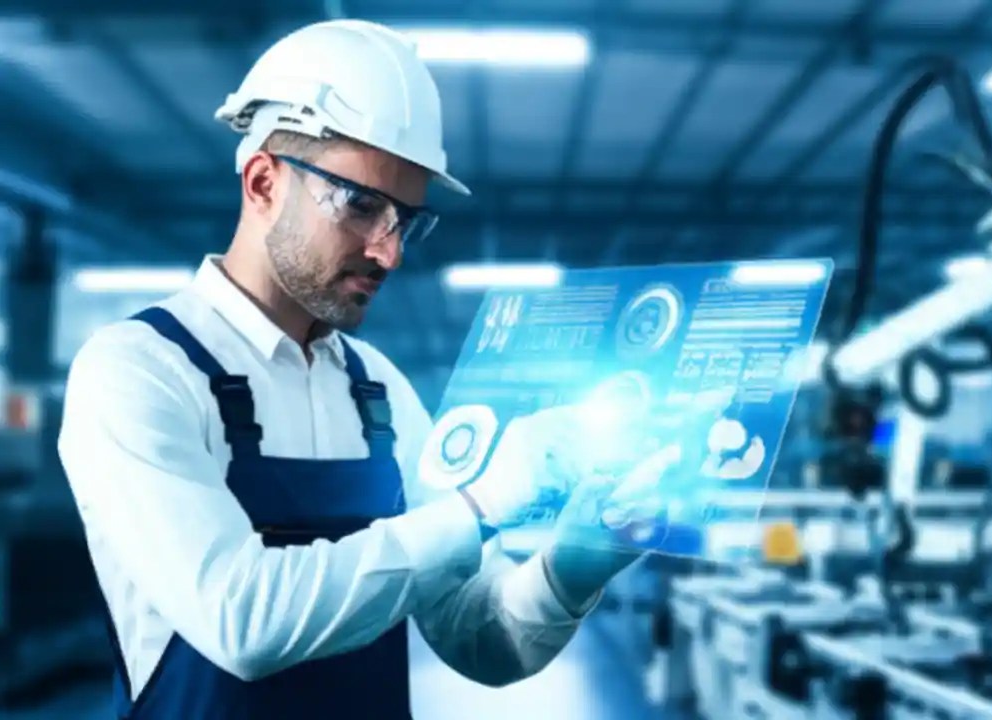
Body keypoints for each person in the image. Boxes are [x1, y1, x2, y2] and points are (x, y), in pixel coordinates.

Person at [57, 19, 680, 719]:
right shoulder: (139, 372)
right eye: (359, 206)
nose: (390, 253)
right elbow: (242, 620)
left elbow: (482, 639)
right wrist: (480, 506)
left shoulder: (377, 390)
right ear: (263, 181)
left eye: (404, 219)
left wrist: (573, 567)